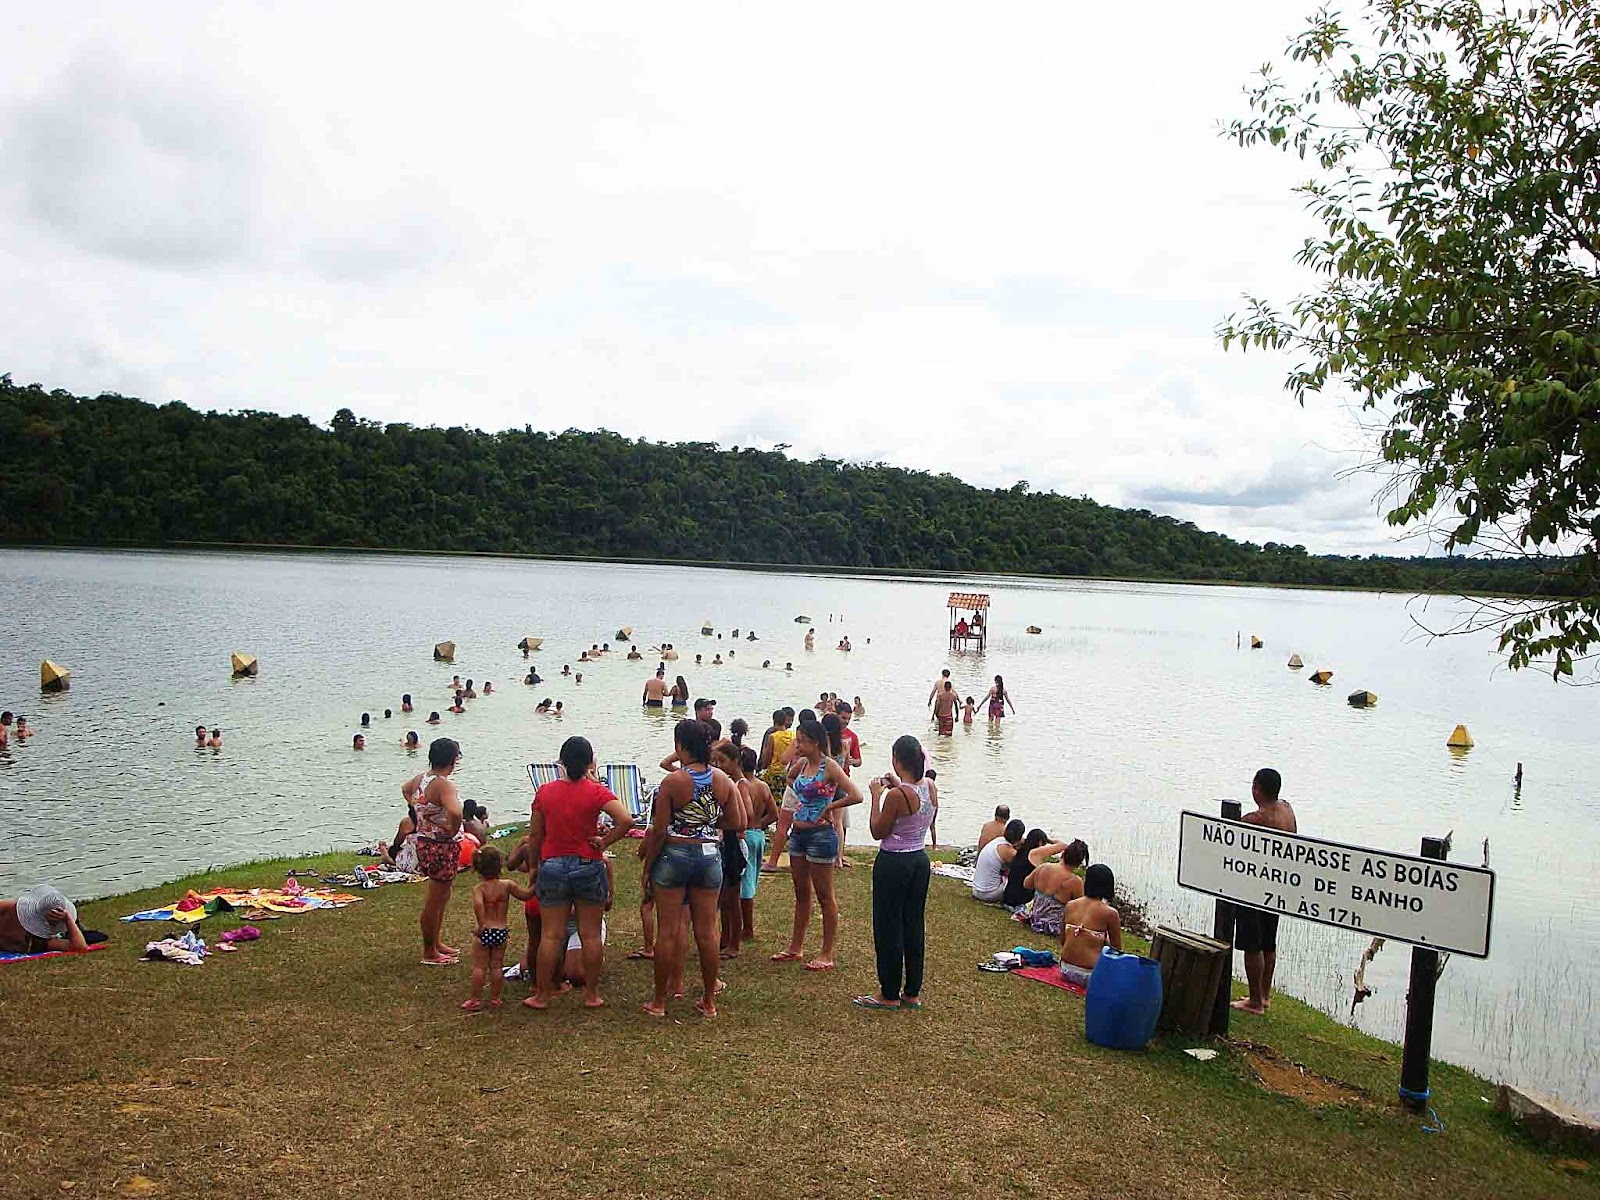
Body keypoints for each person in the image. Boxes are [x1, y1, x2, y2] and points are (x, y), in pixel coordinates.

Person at [525, 736, 635, 1010]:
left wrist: (534, 866)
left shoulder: (545, 792)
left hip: (553, 864)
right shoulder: (596, 791)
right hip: (588, 864)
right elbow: (626, 820)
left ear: (561, 762)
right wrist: (605, 842)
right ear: (589, 763)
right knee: (589, 934)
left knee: (551, 934)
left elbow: (536, 834)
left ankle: (542, 995)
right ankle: (592, 994)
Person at [640, 720, 740, 1018]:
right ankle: (709, 1000)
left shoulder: (672, 782)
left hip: (675, 854)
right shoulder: (723, 780)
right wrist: (707, 826)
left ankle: (659, 1001)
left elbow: (658, 831)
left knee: (668, 929)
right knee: (708, 931)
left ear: (681, 746)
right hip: (709, 857)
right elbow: (738, 821)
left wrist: (648, 866)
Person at [770, 716, 862, 971]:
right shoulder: (801, 765)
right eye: (798, 740)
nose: (799, 745)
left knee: (824, 895)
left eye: (803, 741)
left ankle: (826, 953)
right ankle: (795, 947)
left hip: (821, 836)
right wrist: (802, 800)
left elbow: (856, 795)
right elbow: (790, 779)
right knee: (801, 892)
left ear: (817, 742)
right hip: (798, 834)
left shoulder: (829, 766)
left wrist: (830, 807)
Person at [854, 734, 937, 1010]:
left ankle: (888, 993)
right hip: (919, 860)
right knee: (913, 924)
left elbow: (878, 830)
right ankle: (911, 991)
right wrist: (898, 785)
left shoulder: (897, 796)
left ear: (897, 759)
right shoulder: (929, 786)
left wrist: (876, 796)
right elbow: (916, 806)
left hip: (894, 861)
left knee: (888, 926)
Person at [1232, 768, 1297, 1014]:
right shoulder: (1287, 810)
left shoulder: (1255, 819)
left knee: (1253, 944)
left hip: (1255, 887)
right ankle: (1264, 995)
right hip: (1277, 885)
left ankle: (1255, 1001)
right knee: (1269, 942)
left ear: (1257, 788)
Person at [404, 738, 465, 965]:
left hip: (425, 842)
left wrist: (417, 812)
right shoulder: (444, 785)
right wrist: (452, 829)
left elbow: (405, 789)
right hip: (441, 845)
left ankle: (436, 942)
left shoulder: (422, 779)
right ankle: (429, 951)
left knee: (442, 895)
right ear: (453, 759)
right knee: (435, 900)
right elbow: (456, 811)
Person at [463, 845, 531, 1012]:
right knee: (496, 965)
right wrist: (536, 884)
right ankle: (495, 998)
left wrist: (481, 924)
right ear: (500, 864)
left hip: (485, 931)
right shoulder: (507, 885)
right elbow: (525, 895)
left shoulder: (479, 889)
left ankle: (475, 999)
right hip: (501, 931)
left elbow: (479, 904)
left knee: (480, 966)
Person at [735, 744, 776, 940]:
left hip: (747, 835)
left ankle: (747, 928)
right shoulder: (763, 786)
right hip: (758, 834)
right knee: (752, 877)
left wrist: (750, 824)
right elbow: (774, 814)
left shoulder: (742, 785)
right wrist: (759, 824)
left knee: (745, 882)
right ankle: (745, 926)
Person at [1059, 864, 1123, 988]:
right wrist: (1102, 940)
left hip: (1065, 969)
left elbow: (1063, 941)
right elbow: (1117, 951)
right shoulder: (1110, 913)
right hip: (1090, 975)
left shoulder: (1070, 905)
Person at [0, 885, 103, 954]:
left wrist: (68, 919)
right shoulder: (11, 908)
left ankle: (76, 927)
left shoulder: (39, 941)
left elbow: (79, 947)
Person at [1022, 839, 1089, 936]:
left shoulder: (1043, 867)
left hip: (1034, 920)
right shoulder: (1075, 881)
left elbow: (1026, 884)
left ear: (1063, 854)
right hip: (1054, 927)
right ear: (1079, 863)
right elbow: (1080, 909)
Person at [757, 708, 796, 869]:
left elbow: (767, 756)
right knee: (782, 805)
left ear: (774, 721)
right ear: (786, 721)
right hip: (787, 773)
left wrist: (761, 768)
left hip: (774, 773)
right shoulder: (793, 736)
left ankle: (760, 827)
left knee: (767, 802)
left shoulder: (773, 736)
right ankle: (783, 831)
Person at [1002, 829, 1070, 909]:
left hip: (1008, 898)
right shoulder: (1035, 853)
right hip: (1020, 901)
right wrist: (1049, 840)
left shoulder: (1022, 850)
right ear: (1039, 842)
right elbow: (1064, 846)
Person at [971, 819, 1024, 903]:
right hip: (988, 894)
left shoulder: (999, 840)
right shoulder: (1008, 851)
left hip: (976, 889)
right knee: (1019, 877)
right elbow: (1023, 864)